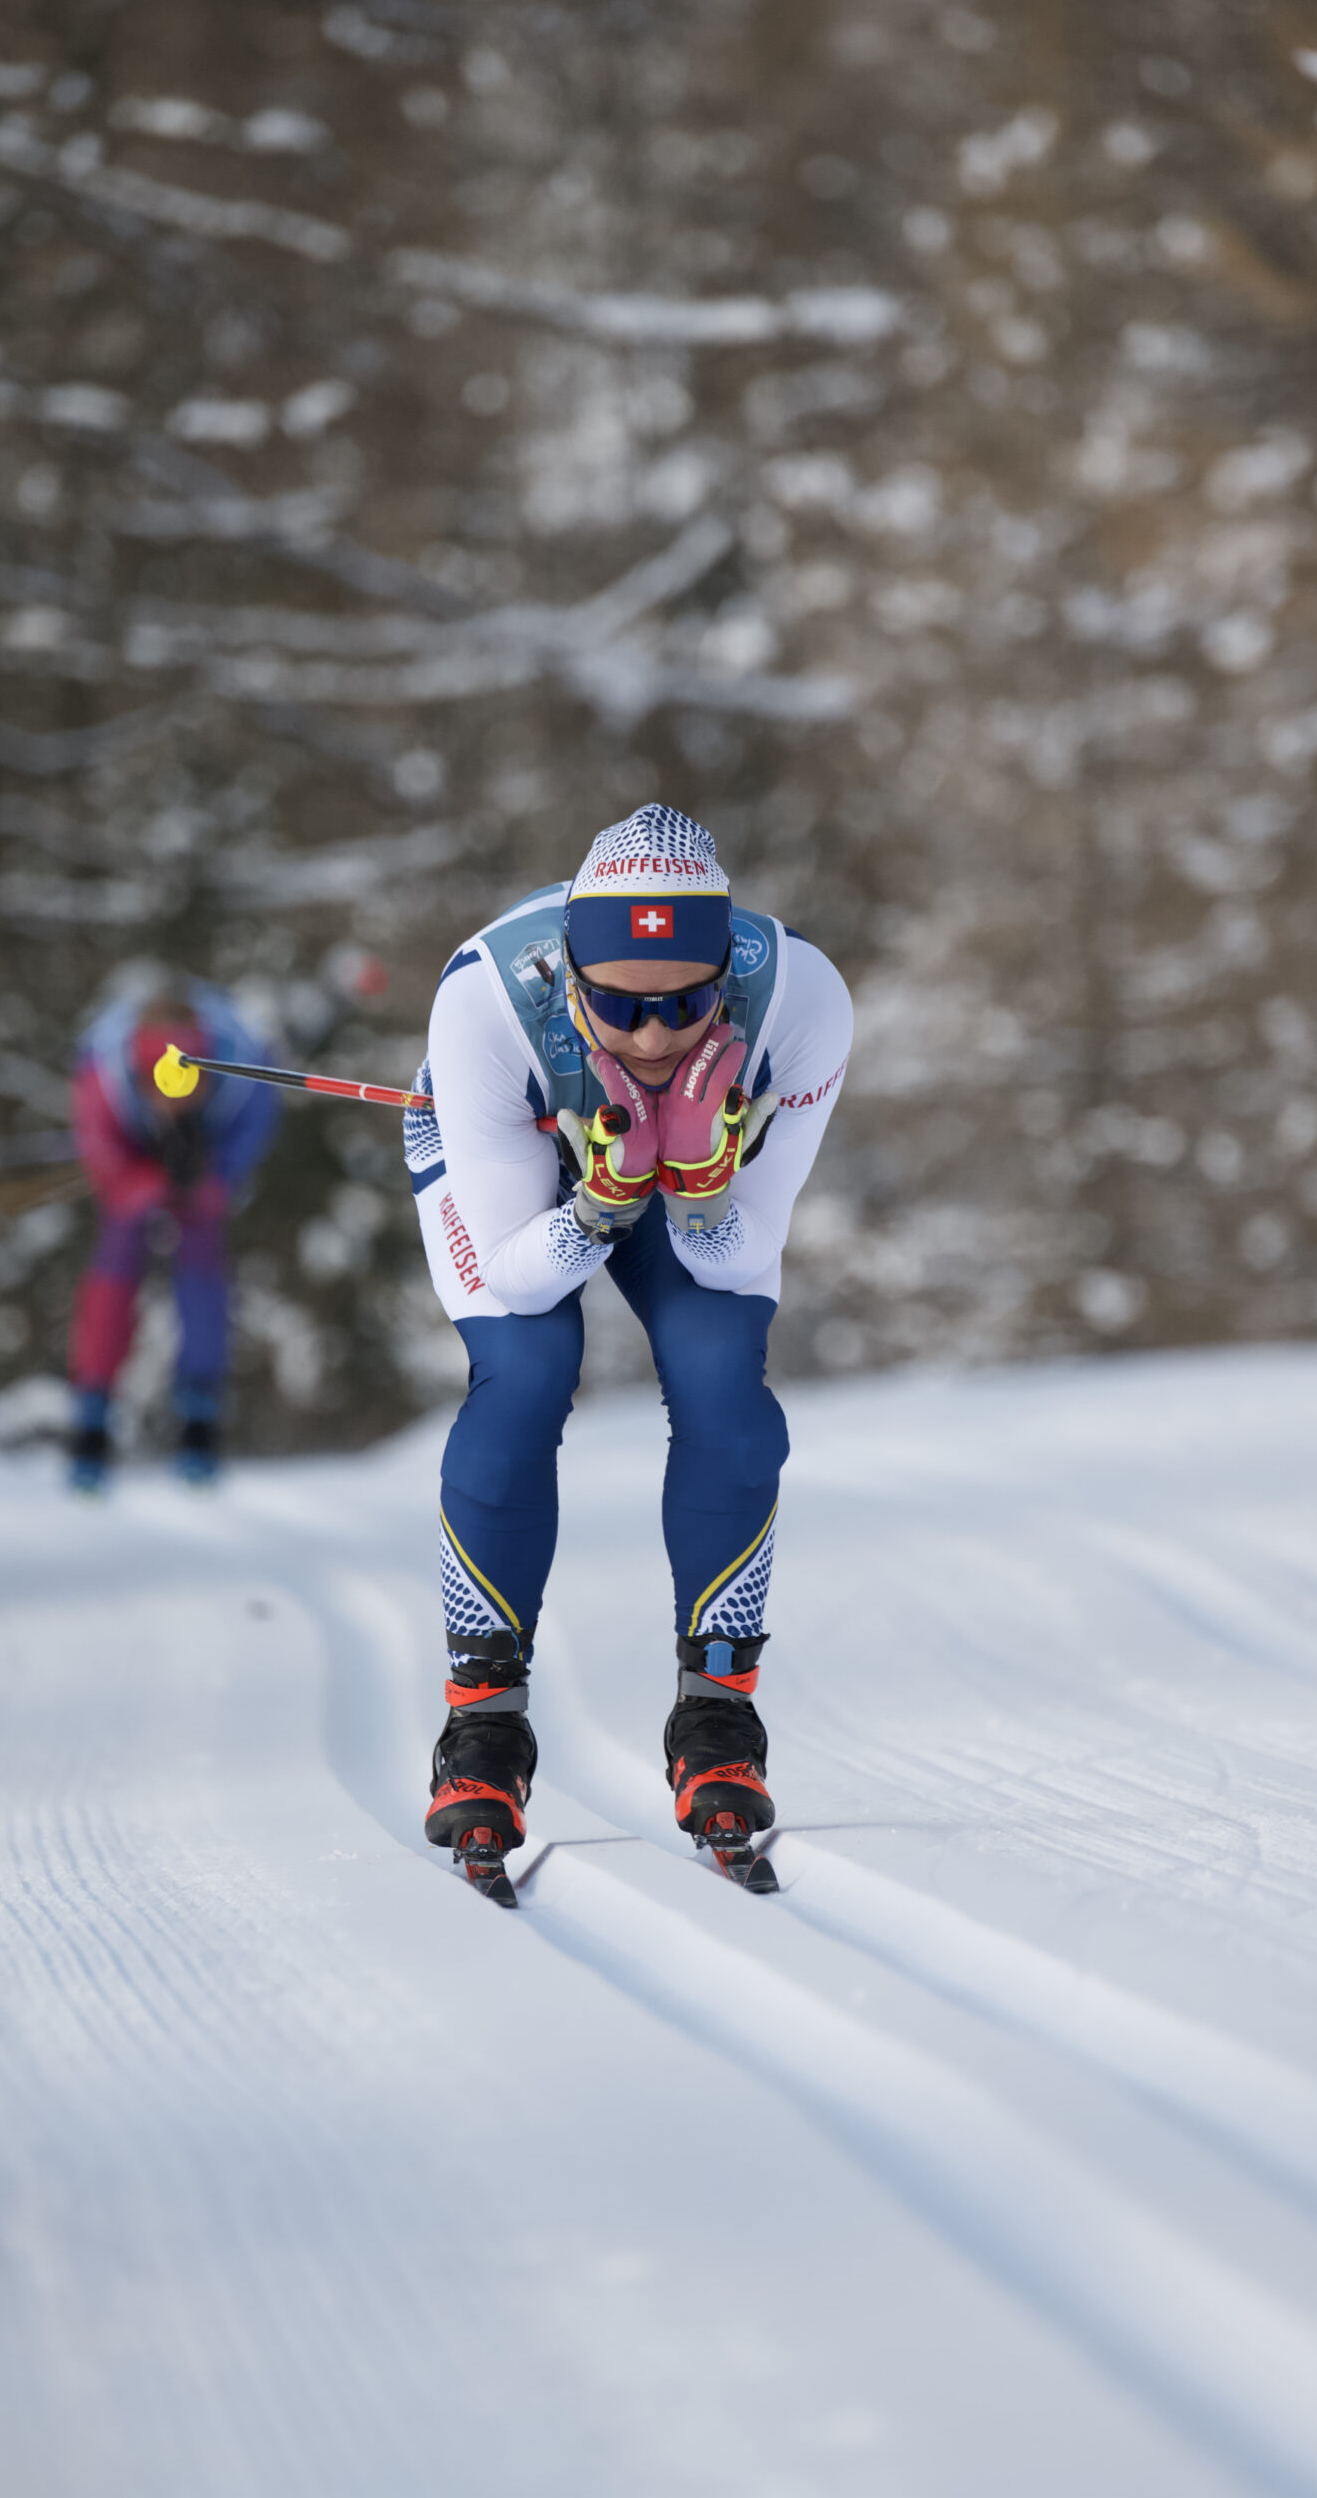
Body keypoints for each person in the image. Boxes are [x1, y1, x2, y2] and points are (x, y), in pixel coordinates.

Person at [405, 803, 852, 1886]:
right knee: (525, 1376)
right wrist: (601, 1204)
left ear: (725, 978)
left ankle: (717, 1720)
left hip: (699, 1178)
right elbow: (514, 1267)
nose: (654, 1038)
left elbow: (744, 1259)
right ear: (570, 978)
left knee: (724, 1389)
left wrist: (696, 1191)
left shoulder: (802, 1002)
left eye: (686, 1005)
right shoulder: (484, 1005)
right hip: (525, 1164)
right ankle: (483, 1727)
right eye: (619, 1006)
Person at [67, 981, 281, 1490]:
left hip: (207, 1153)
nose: (173, 1106)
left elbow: (253, 1133)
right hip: (135, 1154)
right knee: (116, 1261)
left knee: (202, 1263)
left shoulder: (246, 1072)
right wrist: (147, 1184)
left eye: (188, 1091)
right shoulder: (103, 1078)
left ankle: (200, 1419)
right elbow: (105, 1164)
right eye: (159, 1093)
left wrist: (215, 1181)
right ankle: (92, 1418)